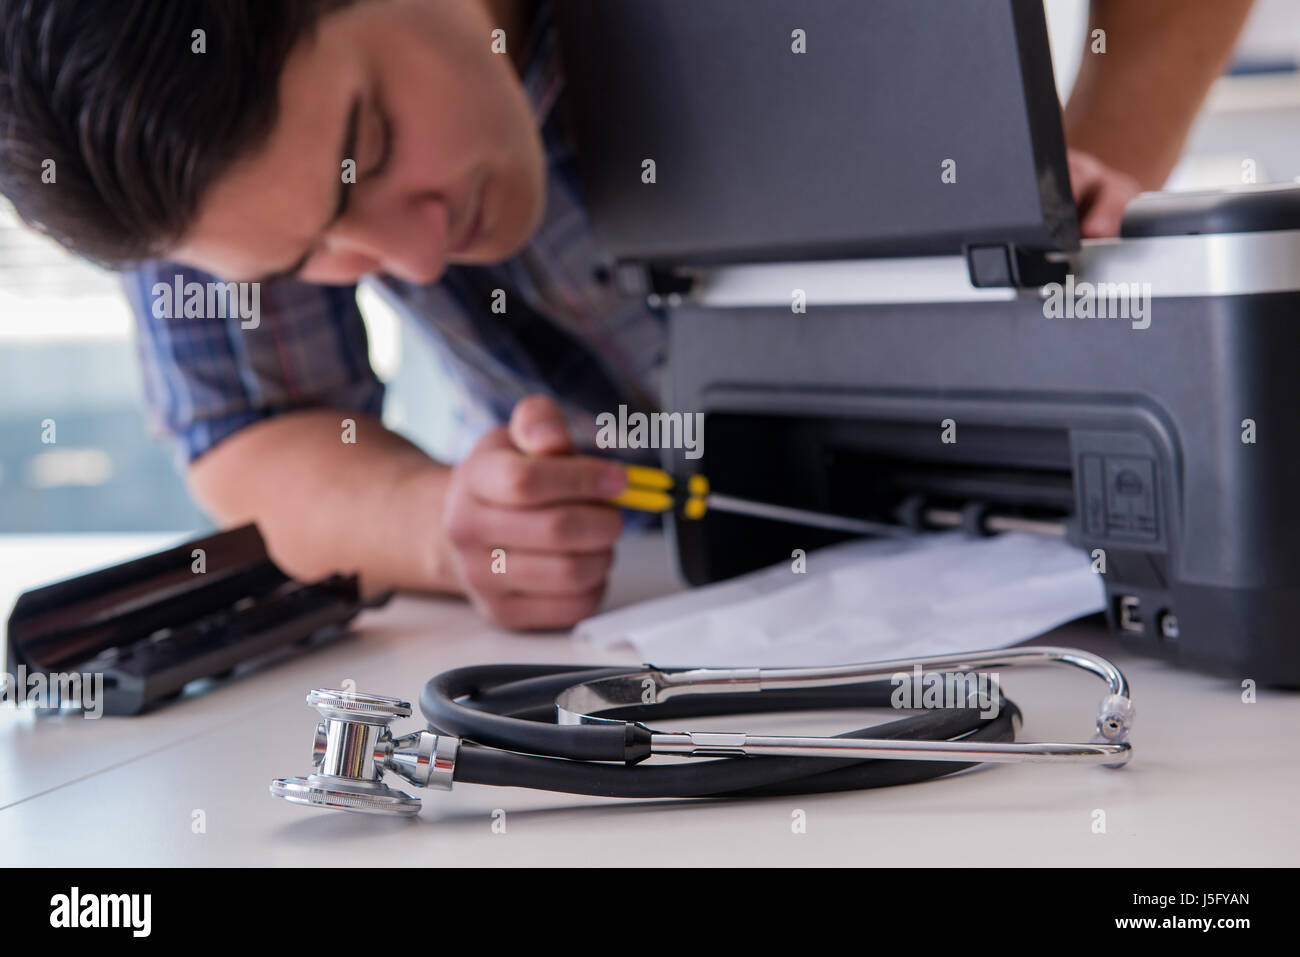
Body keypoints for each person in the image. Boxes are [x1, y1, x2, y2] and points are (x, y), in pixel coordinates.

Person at [0, 0, 1254, 628]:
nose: (406, 247)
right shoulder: (165, 143)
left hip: (1066, 535)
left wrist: (1096, 155)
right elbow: (251, 429)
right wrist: (447, 529)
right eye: (311, 256)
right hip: (720, 593)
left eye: (367, 149)